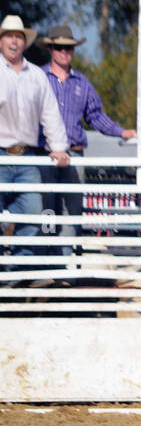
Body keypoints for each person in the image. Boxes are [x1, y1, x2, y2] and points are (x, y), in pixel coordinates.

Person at [35, 24, 137, 258]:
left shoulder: (82, 82)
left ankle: (65, 263)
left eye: (69, 48)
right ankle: (46, 262)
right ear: (51, 49)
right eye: (60, 47)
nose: (65, 52)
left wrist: (121, 132)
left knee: (71, 209)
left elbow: (95, 115)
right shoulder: (38, 77)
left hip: (74, 153)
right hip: (45, 152)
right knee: (46, 209)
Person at [0, 15, 70, 282]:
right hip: (0, 153)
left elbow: (50, 114)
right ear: (1, 41)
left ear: (24, 42)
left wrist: (59, 147)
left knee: (32, 218)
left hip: (27, 157)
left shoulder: (37, 76)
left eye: (18, 36)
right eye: (9, 36)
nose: (14, 41)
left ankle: (16, 280)